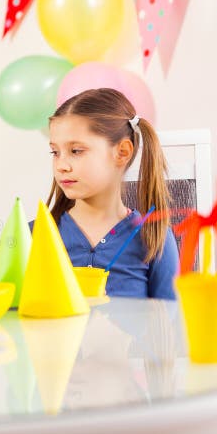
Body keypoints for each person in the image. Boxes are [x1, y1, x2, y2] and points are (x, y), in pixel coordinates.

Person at [47, 88, 178, 299]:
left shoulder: (154, 238)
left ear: (122, 153)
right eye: (55, 152)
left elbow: (171, 324)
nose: (61, 165)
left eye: (76, 151)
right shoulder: (34, 236)